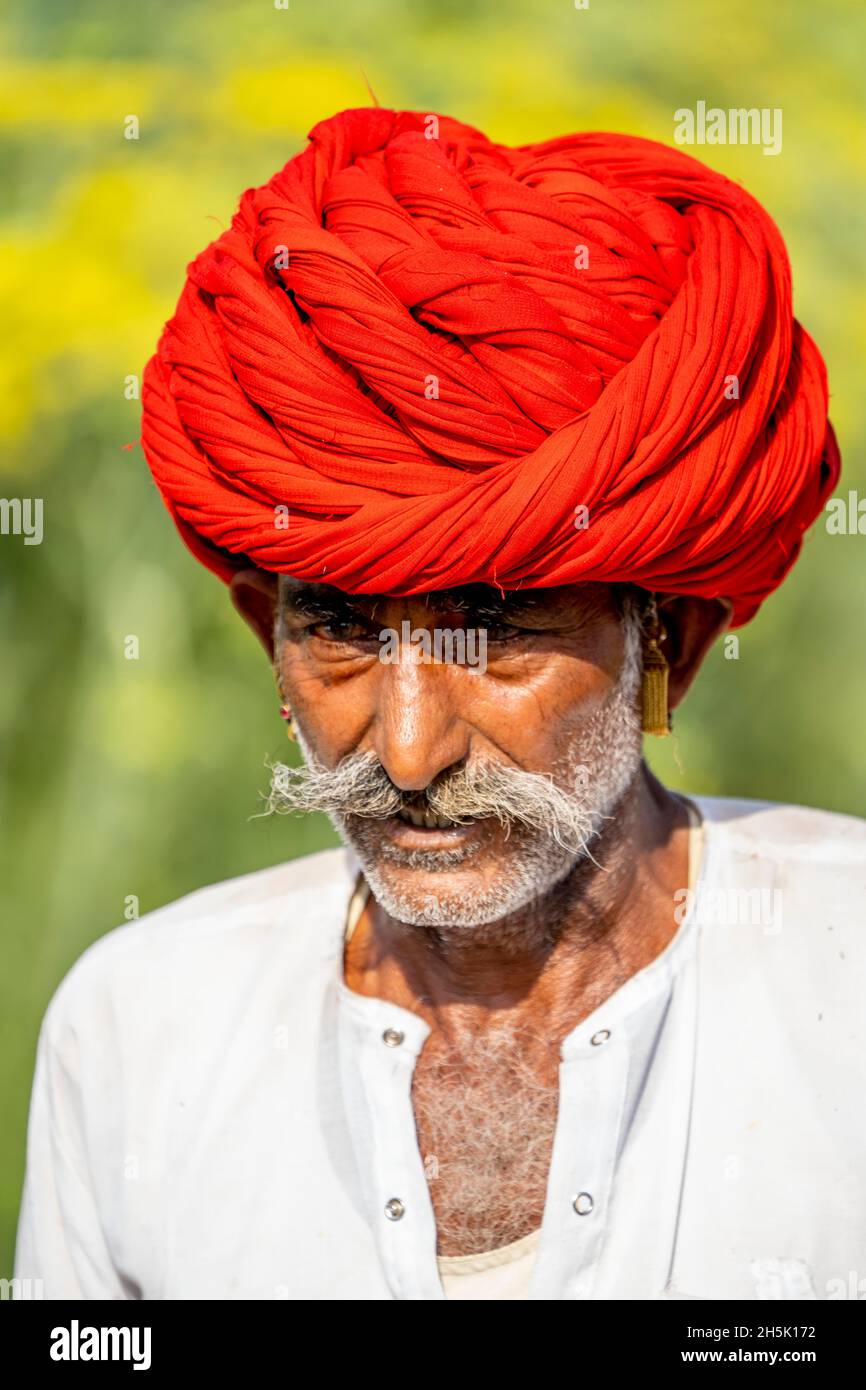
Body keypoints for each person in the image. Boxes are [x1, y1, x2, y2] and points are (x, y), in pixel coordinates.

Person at [14, 108, 865, 1301]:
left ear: (667, 636)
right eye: (339, 633)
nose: (406, 752)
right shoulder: (138, 1023)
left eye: (498, 633)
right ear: (267, 629)